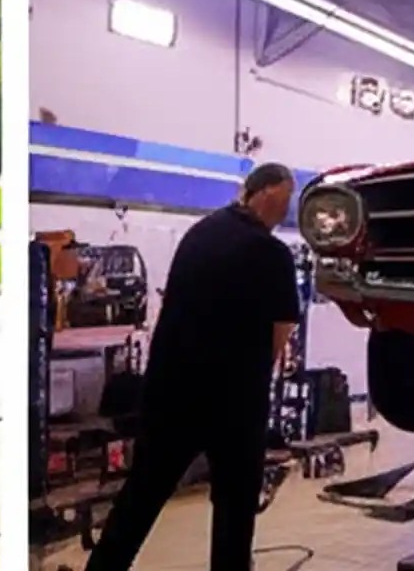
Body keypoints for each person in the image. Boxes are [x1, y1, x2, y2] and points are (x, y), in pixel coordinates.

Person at [84, 163, 302, 571]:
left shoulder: (200, 232)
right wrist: (256, 376)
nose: (286, 208)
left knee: (142, 494)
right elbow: (280, 332)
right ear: (266, 192)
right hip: (233, 400)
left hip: (172, 389)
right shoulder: (271, 252)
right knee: (235, 508)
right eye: (287, 197)